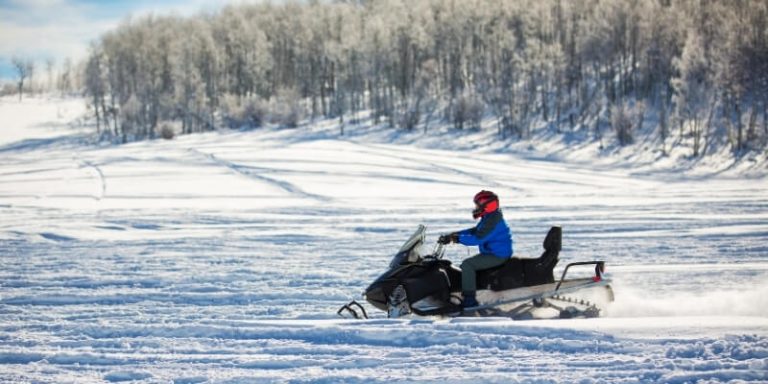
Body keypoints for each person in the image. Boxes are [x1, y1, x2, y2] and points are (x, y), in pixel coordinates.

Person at [439, 190, 513, 308]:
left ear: (487, 205)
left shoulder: (493, 221)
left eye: (478, 205)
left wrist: (457, 239)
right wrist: (455, 234)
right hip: (492, 252)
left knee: (468, 265)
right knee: (469, 265)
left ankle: (470, 299)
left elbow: (478, 238)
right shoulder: (490, 217)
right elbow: (475, 231)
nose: (476, 207)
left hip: (498, 255)